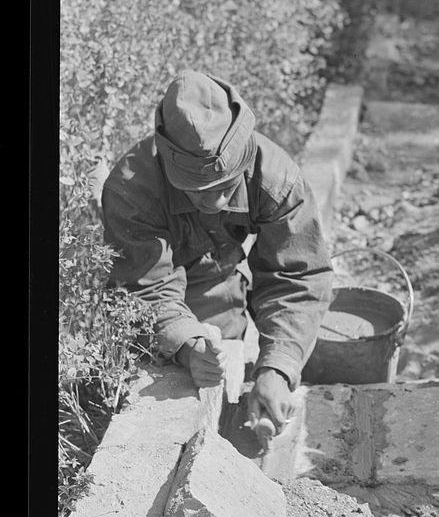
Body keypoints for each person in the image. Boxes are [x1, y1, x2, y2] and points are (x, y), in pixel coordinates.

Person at [101, 70, 335, 435]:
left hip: (221, 270)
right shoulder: (132, 190)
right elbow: (144, 289)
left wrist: (277, 366)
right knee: (187, 374)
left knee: (231, 355)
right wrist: (186, 343)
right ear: (167, 164)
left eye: (226, 186)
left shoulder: (276, 176)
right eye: (198, 190)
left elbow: (296, 275)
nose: (216, 202)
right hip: (164, 283)